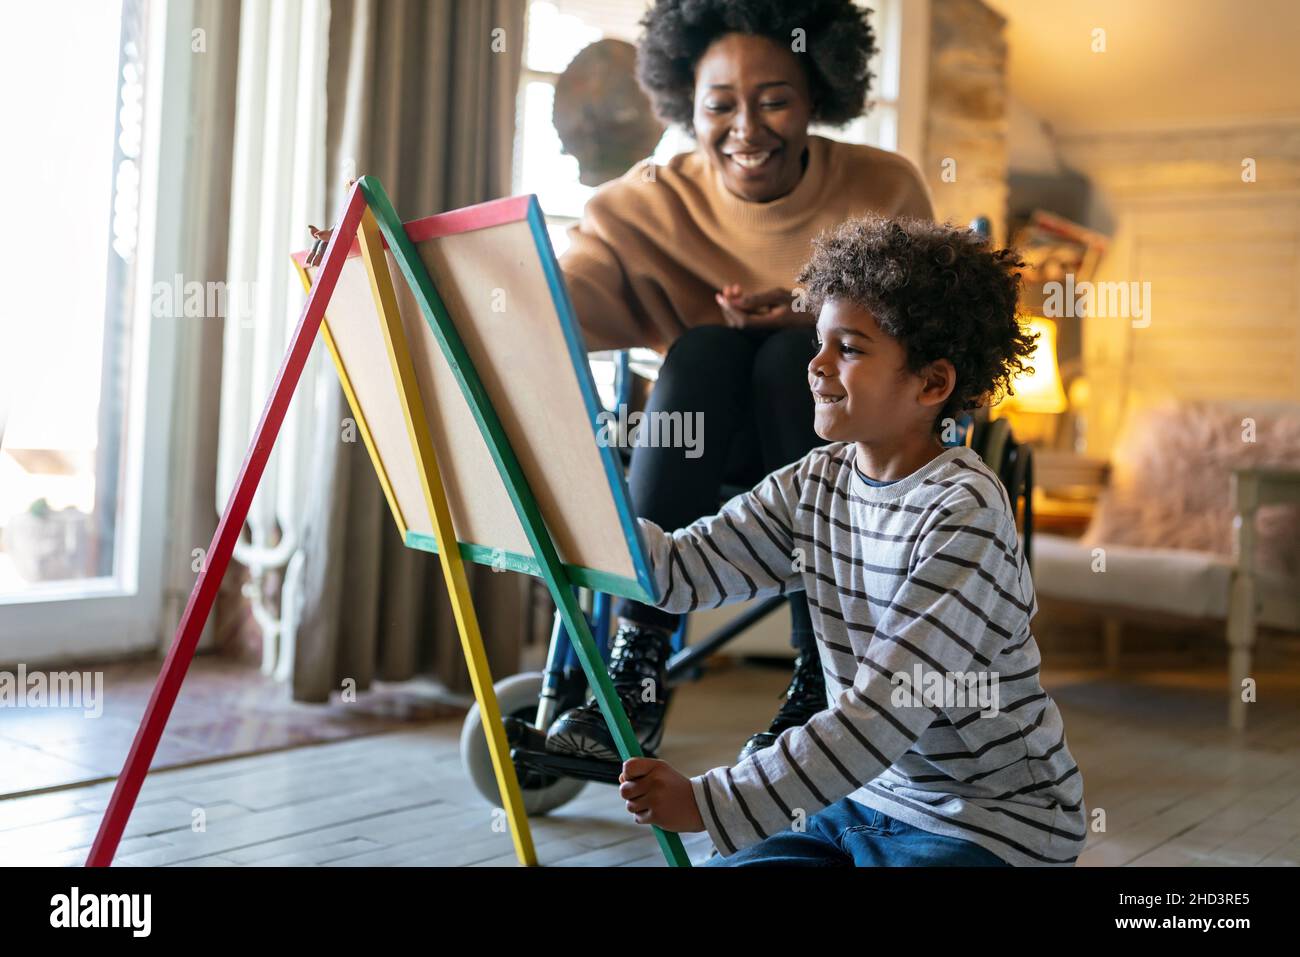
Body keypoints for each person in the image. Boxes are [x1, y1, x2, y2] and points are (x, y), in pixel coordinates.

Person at [613, 214, 1088, 866]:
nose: (815, 365)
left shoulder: (964, 514)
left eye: (850, 348)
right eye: (819, 340)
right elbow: (681, 569)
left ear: (932, 384)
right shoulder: (816, 481)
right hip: (861, 794)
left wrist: (710, 801)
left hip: (989, 823)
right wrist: (580, 516)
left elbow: (883, 714)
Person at [542, 0, 935, 765]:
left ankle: (823, 668)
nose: (746, 128)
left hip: (841, 459)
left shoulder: (884, 190)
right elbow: (559, 296)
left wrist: (809, 319)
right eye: (720, 104)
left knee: (792, 360)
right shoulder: (645, 202)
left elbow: (927, 337)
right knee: (701, 352)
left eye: (776, 99)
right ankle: (638, 669)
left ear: (819, 93)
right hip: (702, 451)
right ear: (687, 104)